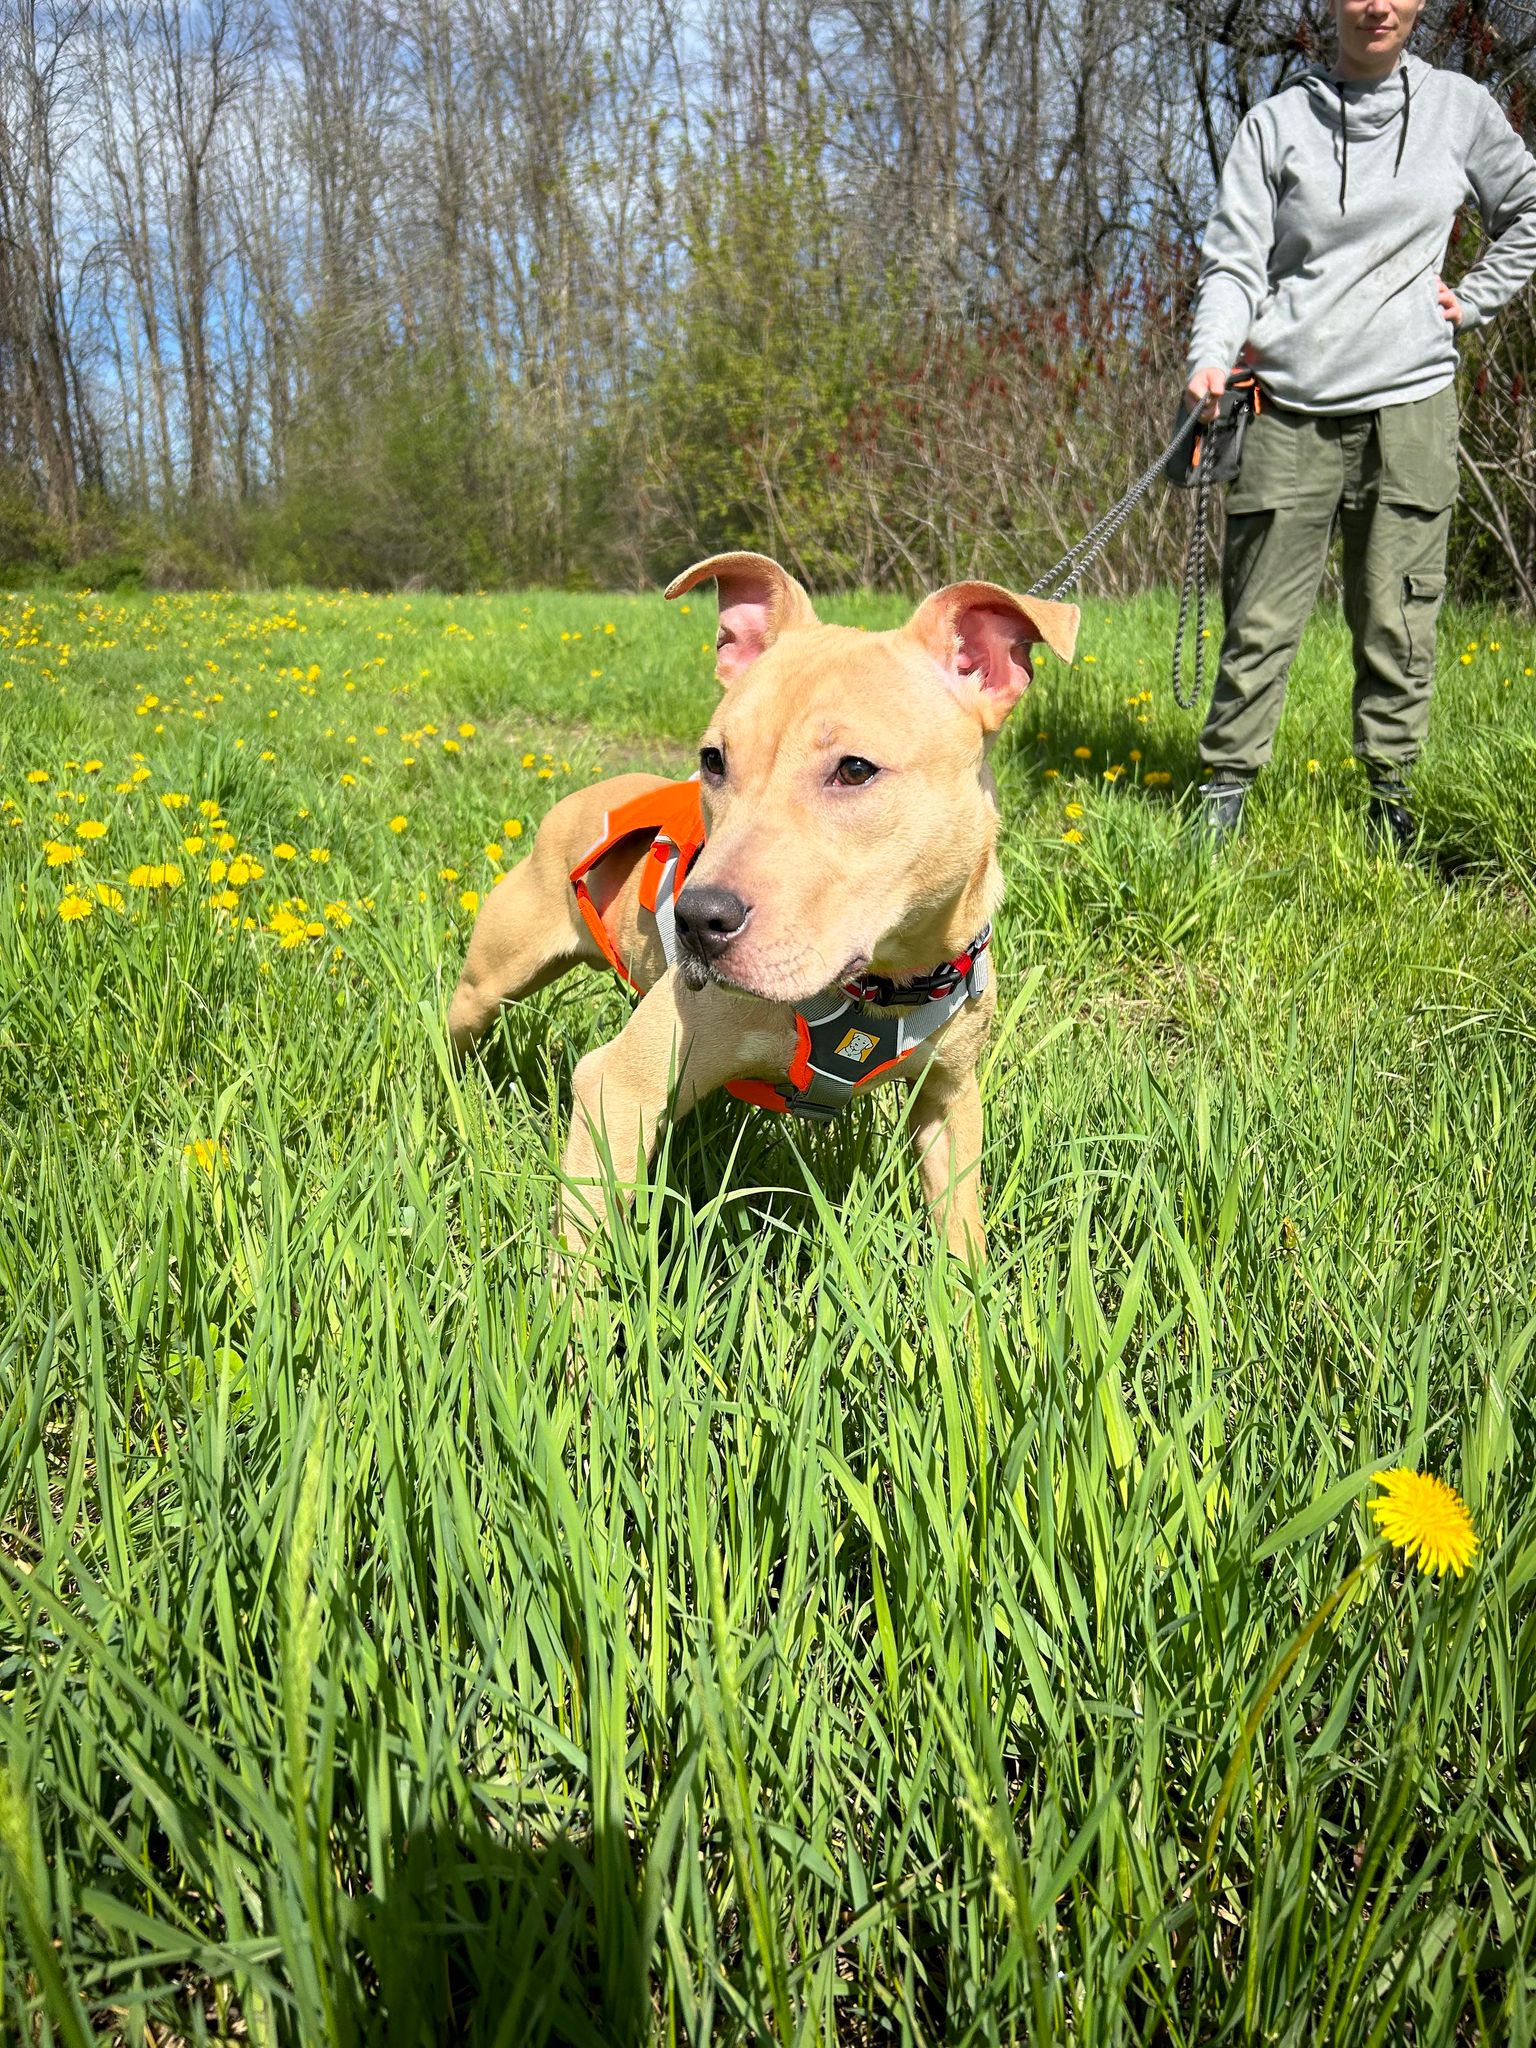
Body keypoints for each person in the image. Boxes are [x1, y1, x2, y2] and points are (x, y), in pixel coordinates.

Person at [1184, 0, 1536, 848]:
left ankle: (1391, 801)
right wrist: (1210, 352)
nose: (1377, 5)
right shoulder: (1275, 124)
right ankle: (1224, 796)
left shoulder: (1461, 109)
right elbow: (1235, 261)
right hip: (1286, 406)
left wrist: (1475, 298)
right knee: (1257, 618)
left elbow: (1528, 214)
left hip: (1409, 405)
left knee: (1398, 614)